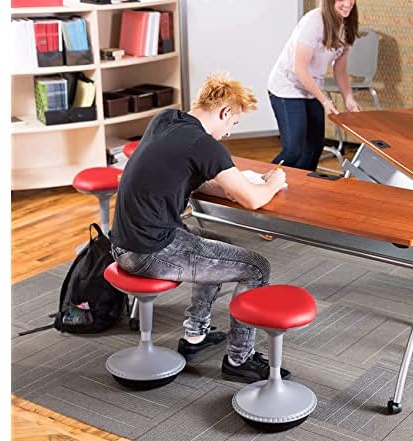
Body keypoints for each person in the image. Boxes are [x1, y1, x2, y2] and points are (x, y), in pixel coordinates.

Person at [110, 72, 291, 383]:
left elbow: (188, 174)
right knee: (256, 267)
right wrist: (273, 183)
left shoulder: (166, 120)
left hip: (123, 242)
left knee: (217, 246)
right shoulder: (204, 144)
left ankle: (195, 337)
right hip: (150, 251)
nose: (229, 134)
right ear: (224, 112)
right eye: (233, 123)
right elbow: (252, 200)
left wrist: (231, 186)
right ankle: (240, 359)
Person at [267, 0, 362, 171]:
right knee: (293, 150)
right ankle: (259, 184)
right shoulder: (314, 21)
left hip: (312, 87)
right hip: (287, 87)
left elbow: (340, 69)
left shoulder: (347, 24)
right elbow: (300, 69)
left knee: (313, 148)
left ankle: (300, 190)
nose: (347, 4)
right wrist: (325, 101)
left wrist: (348, 97)